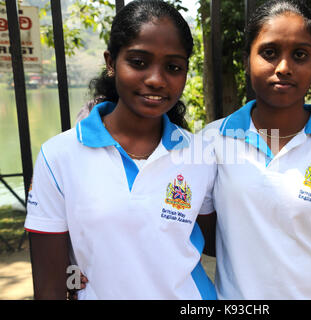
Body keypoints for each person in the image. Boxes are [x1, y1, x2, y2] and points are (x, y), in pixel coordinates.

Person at [24, 0, 216, 300]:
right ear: (111, 62)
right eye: (139, 62)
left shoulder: (201, 154)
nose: (155, 79)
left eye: (173, 67)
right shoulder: (59, 156)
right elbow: (49, 286)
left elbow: (219, 240)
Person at [199, 0, 311, 300]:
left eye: (300, 55)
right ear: (247, 60)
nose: (284, 67)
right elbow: (204, 235)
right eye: (269, 53)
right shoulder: (212, 141)